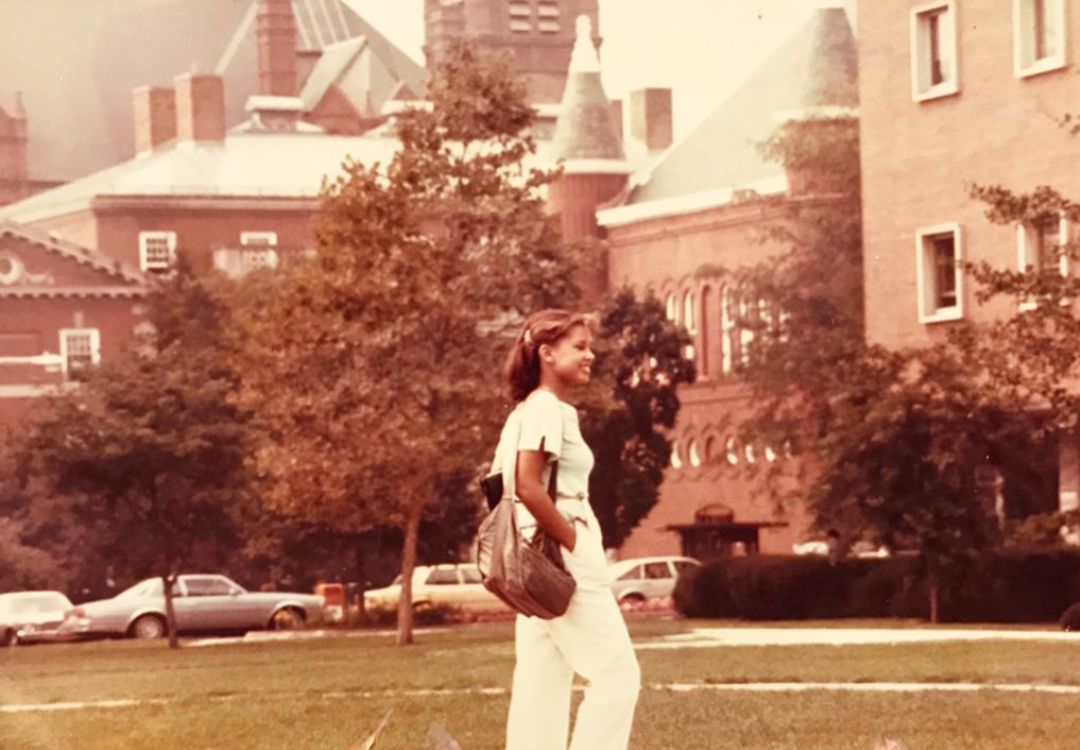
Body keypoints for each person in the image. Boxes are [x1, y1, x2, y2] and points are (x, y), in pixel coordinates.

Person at [499, 309, 640, 750]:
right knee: (617, 675)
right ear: (546, 353)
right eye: (579, 347)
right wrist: (572, 539)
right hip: (562, 557)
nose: (590, 355)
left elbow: (501, 487)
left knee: (542, 679)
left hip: (534, 557)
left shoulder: (526, 411)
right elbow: (526, 484)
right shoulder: (546, 408)